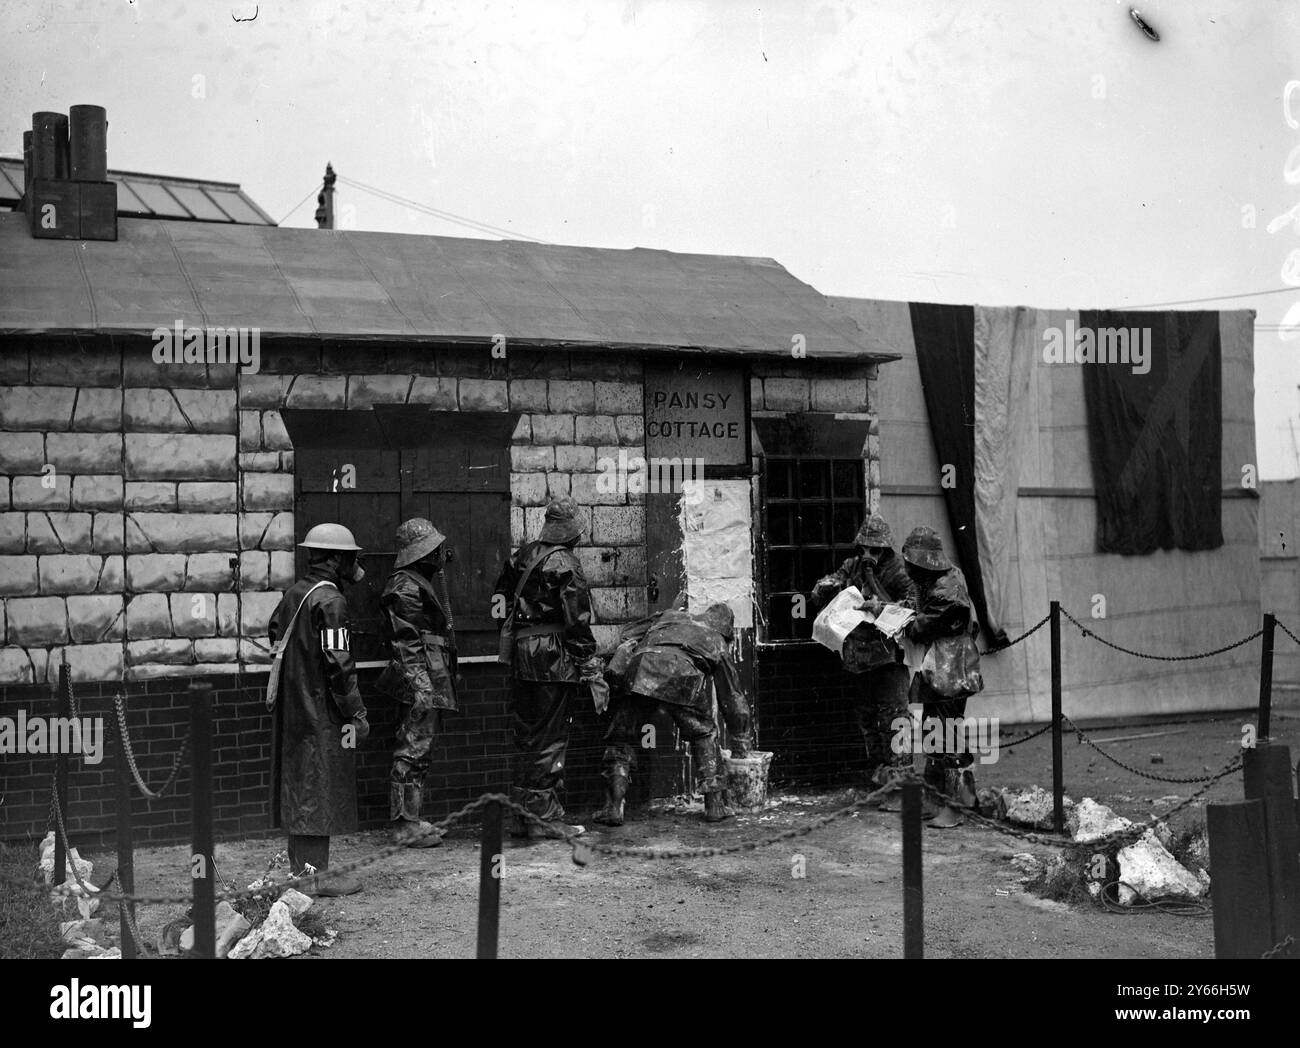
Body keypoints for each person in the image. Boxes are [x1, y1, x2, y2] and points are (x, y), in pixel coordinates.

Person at [268, 522, 371, 896]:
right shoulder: (330, 601)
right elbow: (339, 663)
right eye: (352, 557)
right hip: (320, 710)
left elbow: (275, 633)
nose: (356, 563)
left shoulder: (295, 593)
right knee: (319, 786)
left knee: (300, 784)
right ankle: (314, 877)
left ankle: (302, 872)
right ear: (337, 559)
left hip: (292, 707)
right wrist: (356, 713)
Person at [492, 497, 599, 840]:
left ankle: (523, 816)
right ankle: (546, 818)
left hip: (521, 654)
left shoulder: (522, 555)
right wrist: (587, 660)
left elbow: (500, 601)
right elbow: (576, 619)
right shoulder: (565, 562)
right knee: (551, 739)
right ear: (572, 530)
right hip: (552, 659)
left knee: (527, 737)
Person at [592, 602, 754, 826]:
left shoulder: (669, 616)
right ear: (725, 629)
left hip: (641, 672)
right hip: (683, 675)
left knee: (621, 738)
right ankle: (715, 806)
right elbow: (732, 697)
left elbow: (628, 633)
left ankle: (613, 807)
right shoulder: (716, 640)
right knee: (703, 735)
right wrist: (741, 739)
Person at [810, 514, 915, 801]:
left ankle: (903, 782)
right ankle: (882, 779)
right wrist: (826, 586)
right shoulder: (852, 566)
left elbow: (910, 608)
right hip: (858, 656)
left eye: (875, 550)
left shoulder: (899, 572)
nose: (868, 555)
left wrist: (880, 606)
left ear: (885, 549)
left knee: (895, 718)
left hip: (889, 657)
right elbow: (830, 585)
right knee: (868, 719)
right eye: (864, 549)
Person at [379, 517, 457, 848]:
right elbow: (406, 641)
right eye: (434, 549)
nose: (440, 554)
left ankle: (412, 818)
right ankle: (403, 825)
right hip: (421, 677)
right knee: (411, 749)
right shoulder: (406, 586)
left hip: (429, 674)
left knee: (420, 749)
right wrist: (421, 685)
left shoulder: (415, 582)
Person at [900, 525, 981, 829]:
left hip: (950, 667)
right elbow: (922, 609)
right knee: (936, 731)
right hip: (941, 664)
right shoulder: (940, 579)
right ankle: (945, 798)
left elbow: (924, 626)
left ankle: (955, 806)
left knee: (946, 734)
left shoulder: (947, 591)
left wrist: (901, 624)